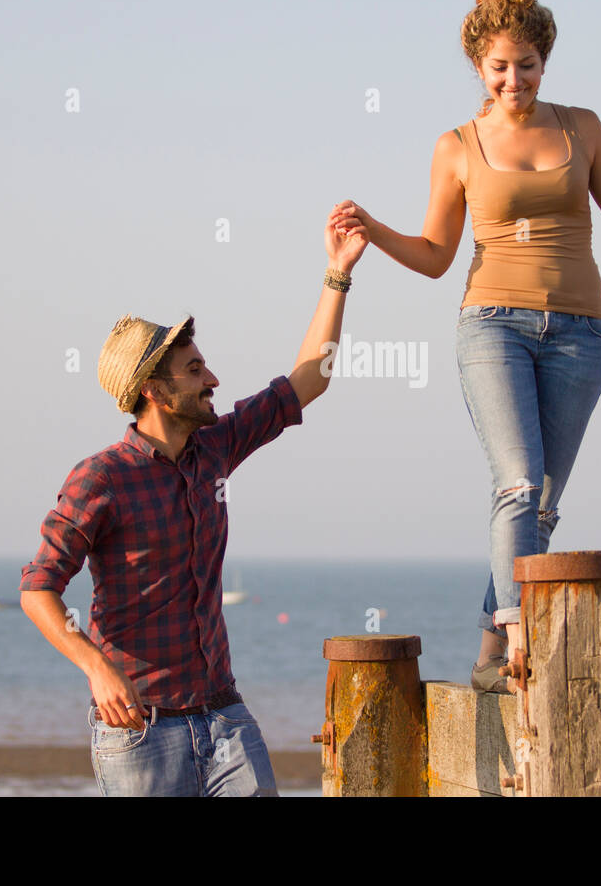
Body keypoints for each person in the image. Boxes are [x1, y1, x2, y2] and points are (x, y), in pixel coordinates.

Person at [329, 0, 601, 692]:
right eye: (501, 68)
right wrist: (373, 231)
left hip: (582, 333)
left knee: (540, 502)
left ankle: (486, 655)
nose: (516, 80)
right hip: (492, 326)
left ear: (546, 60)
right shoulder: (458, 145)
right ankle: (516, 637)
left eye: (528, 66)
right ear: (479, 68)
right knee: (515, 481)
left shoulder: (583, 127)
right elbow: (435, 256)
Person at [19, 211, 369, 796]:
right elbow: (37, 589)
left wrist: (337, 274)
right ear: (155, 392)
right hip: (140, 730)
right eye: (195, 369)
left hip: (225, 717)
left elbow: (312, 378)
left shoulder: (216, 448)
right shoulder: (100, 478)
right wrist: (95, 667)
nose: (213, 378)